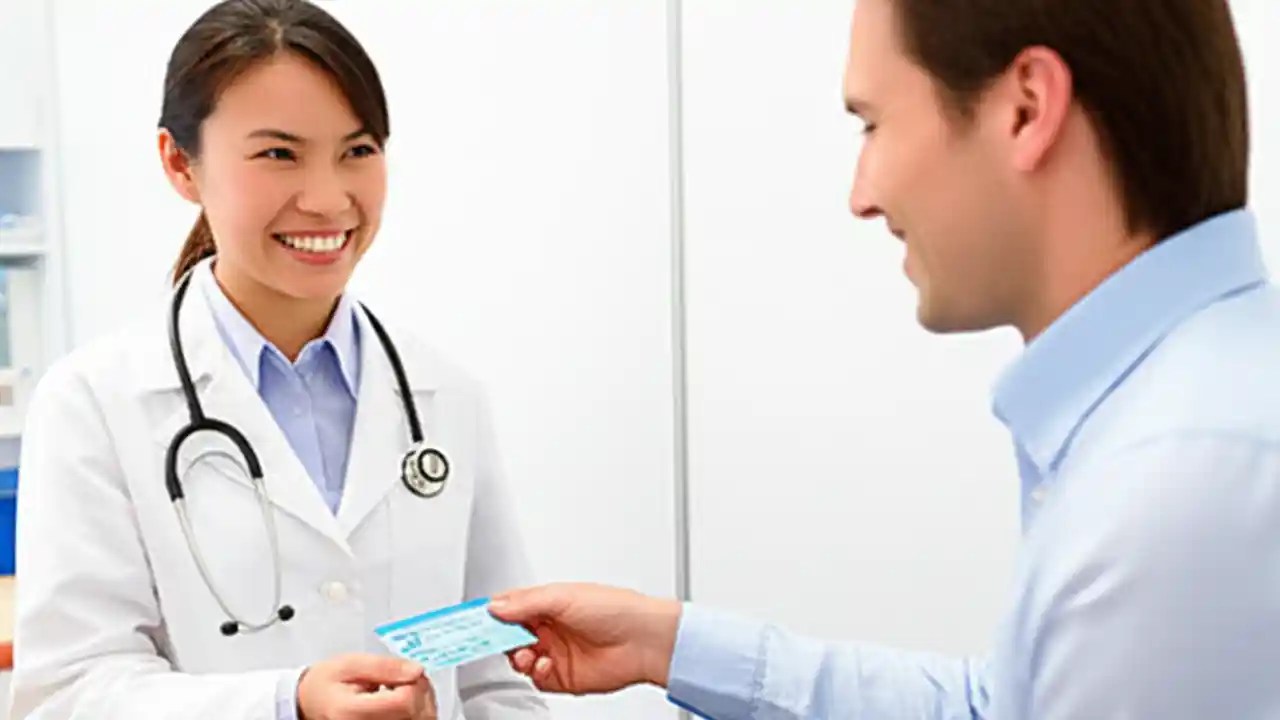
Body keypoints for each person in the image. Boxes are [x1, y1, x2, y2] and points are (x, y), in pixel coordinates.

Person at [491, 0, 1280, 717]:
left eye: (872, 124)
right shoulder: (1186, 426)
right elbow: (998, 707)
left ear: (1026, 108)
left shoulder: (1174, 495)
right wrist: (670, 647)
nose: (861, 193)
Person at [9, 2, 550, 719]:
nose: (327, 200)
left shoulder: (445, 395)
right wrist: (284, 702)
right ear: (180, 163)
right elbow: (68, 694)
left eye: (358, 151)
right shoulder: (94, 402)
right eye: (278, 154)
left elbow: (494, 683)